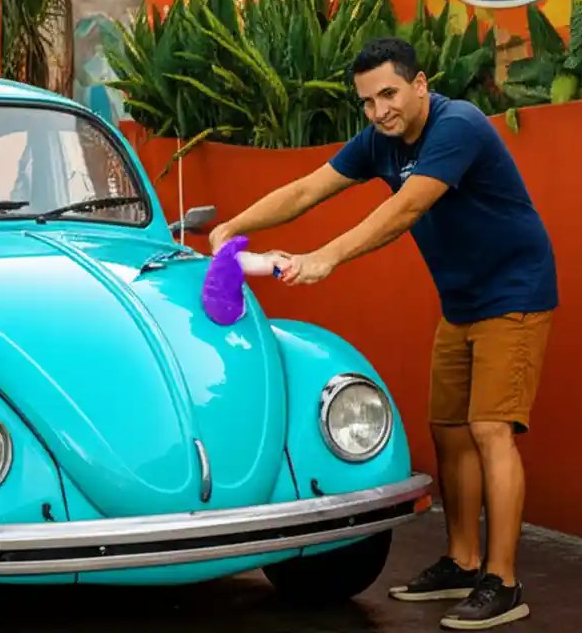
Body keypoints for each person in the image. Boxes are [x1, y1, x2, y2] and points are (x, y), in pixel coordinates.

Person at [208, 37, 557, 630]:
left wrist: (326, 257)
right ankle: (462, 561)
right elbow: (307, 189)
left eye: (390, 94)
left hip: (514, 295)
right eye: (368, 102)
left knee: (490, 429)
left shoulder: (458, 127)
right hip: (463, 302)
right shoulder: (380, 142)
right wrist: (231, 226)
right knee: (448, 431)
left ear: (421, 84)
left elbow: (406, 210)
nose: (379, 111)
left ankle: (503, 580)